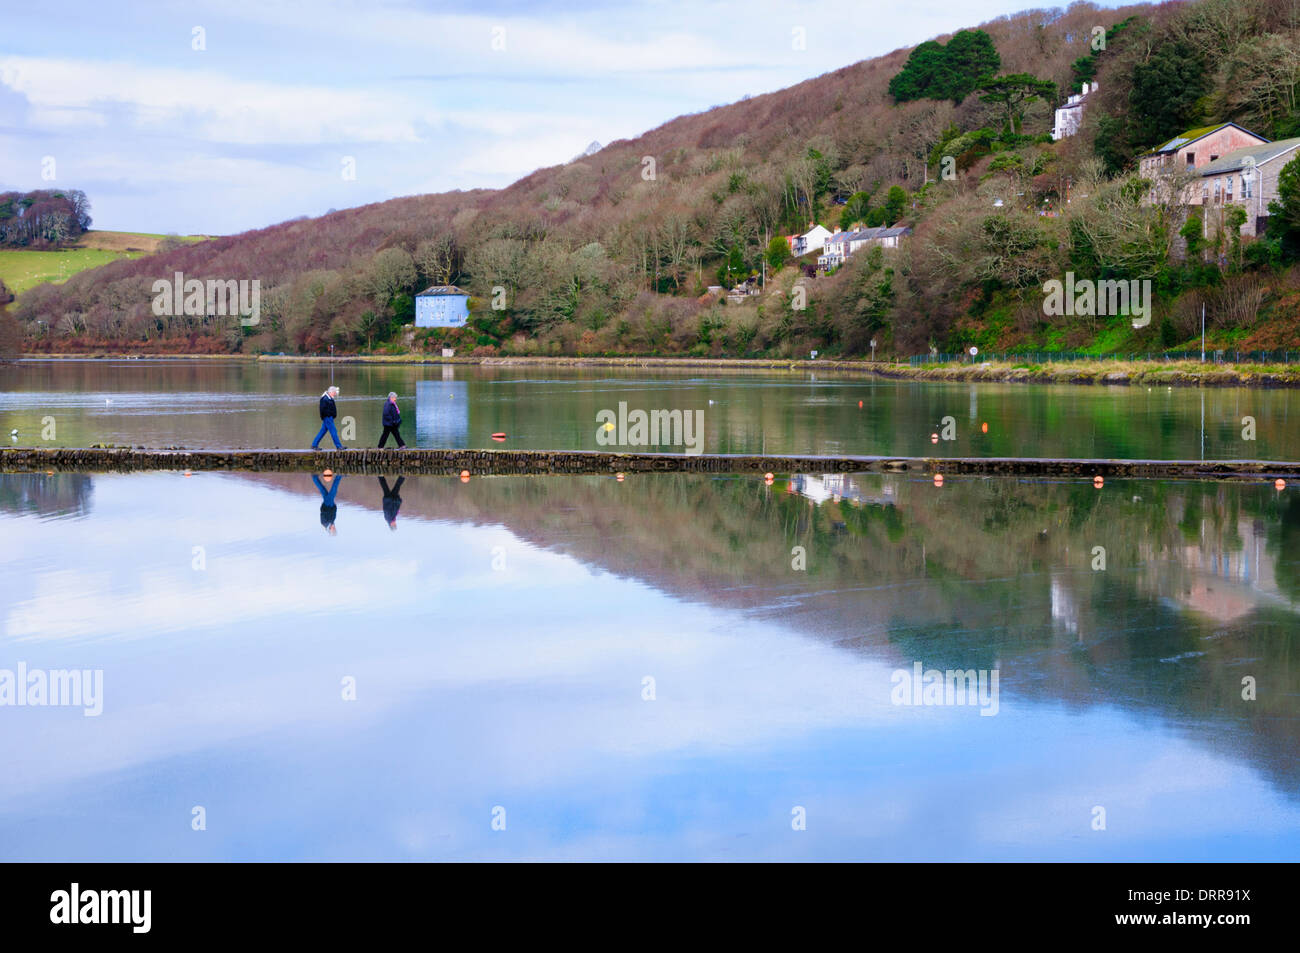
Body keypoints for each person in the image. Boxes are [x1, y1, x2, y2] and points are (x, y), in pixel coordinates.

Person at [312, 386, 343, 450]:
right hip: (327, 418)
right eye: (334, 392)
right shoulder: (324, 399)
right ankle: (339, 446)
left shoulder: (329, 398)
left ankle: (314, 445)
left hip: (329, 418)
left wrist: (333, 415)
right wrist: (328, 416)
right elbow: (322, 410)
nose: (335, 394)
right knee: (334, 431)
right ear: (331, 392)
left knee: (322, 432)